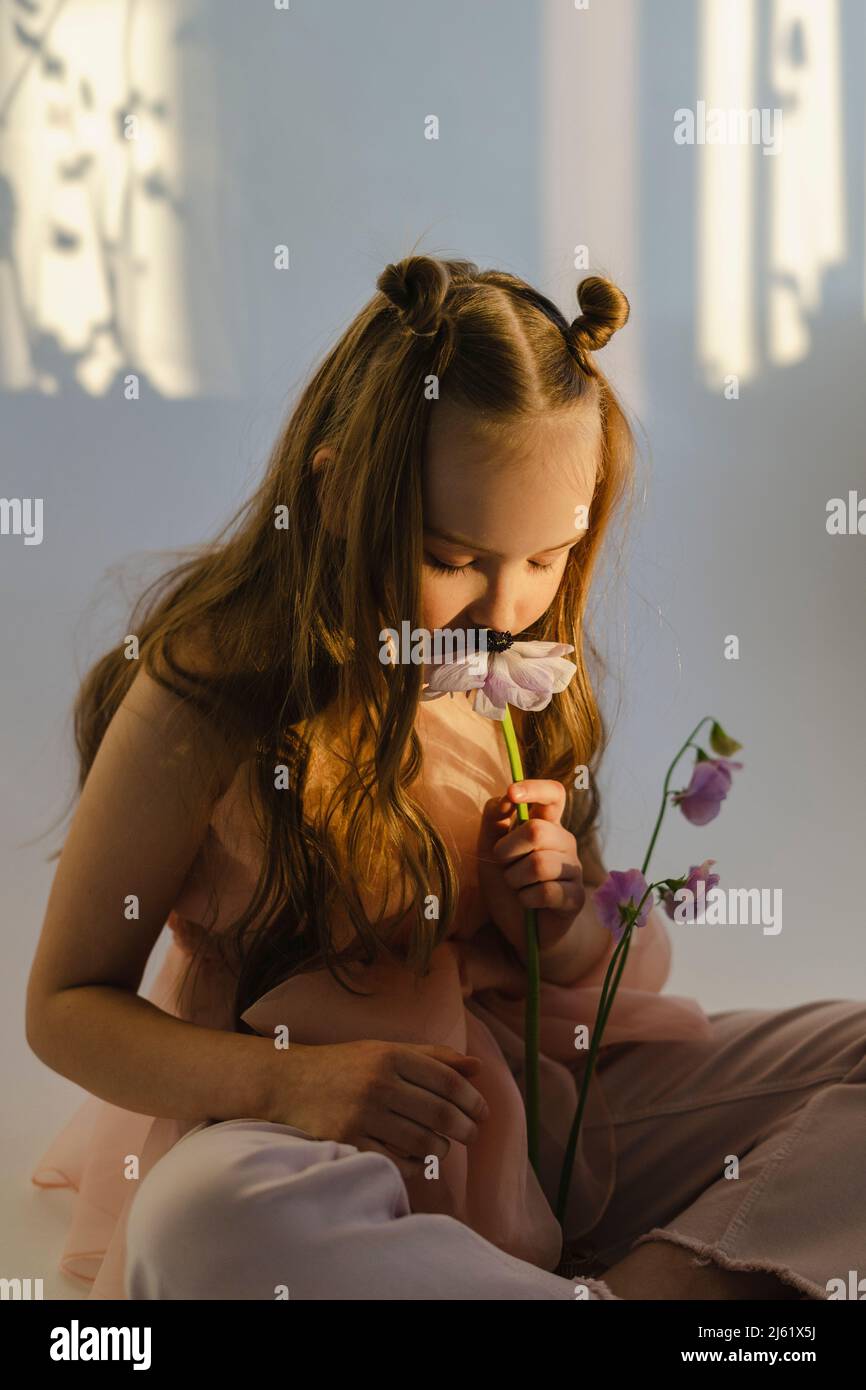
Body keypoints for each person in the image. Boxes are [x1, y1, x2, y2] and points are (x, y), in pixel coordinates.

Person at [26, 255, 865, 1301]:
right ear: (336, 493)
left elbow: (597, 972)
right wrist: (290, 1080)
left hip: (529, 1102)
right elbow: (63, 1004)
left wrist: (554, 914)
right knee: (205, 1224)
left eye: (546, 556)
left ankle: (657, 1285)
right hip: (317, 1138)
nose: (505, 608)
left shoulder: (519, 681)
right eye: (451, 555)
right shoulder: (208, 698)